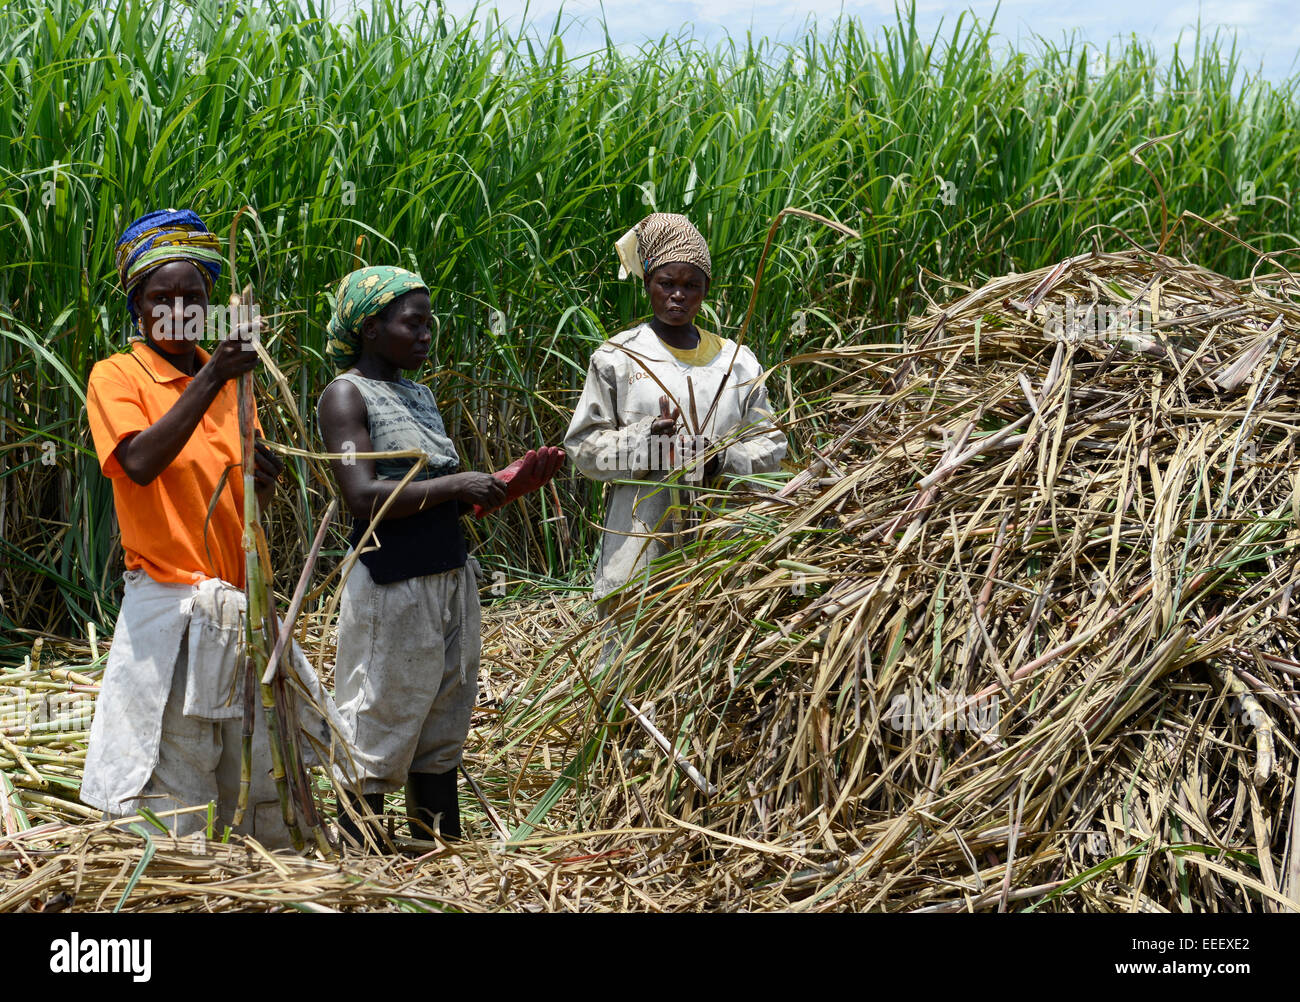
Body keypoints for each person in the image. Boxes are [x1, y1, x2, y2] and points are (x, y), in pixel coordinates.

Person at [82, 208, 330, 847]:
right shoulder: (119, 376)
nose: (177, 309)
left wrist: (264, 482)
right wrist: (215, 373)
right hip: (171, 613)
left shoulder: (235, 389)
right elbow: (138, 463)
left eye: (192, 296)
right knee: (173, 783)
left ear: (209, 303)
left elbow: (235, 503)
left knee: (252, 777)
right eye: (160, 297)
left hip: (239, 609)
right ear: (137, 306)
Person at [316, 265, 563, 848]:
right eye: (413, 323)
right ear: (371, 328)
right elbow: (362, 497)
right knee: (379, 713)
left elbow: (432, 497)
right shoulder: (347, 394)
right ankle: (363, 856)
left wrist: (503, 485)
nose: (426, 335)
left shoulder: (417, 394)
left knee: (443, 716)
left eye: (429, 324)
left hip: (449, 576)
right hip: (391, 582)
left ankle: (440, 850)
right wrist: (457, 487)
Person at [564, 213, 788, 612]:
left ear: (706, 291)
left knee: (713, 662)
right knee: (629, 664)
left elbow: (770, 444)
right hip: (638, 554)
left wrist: (722, 459)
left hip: (724, 551)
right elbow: (584, 448)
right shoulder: (619, 358)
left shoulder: (737, 362)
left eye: (691, 286)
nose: (678, 296)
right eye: (667, 283)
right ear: (648, 283)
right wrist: (645, 443)